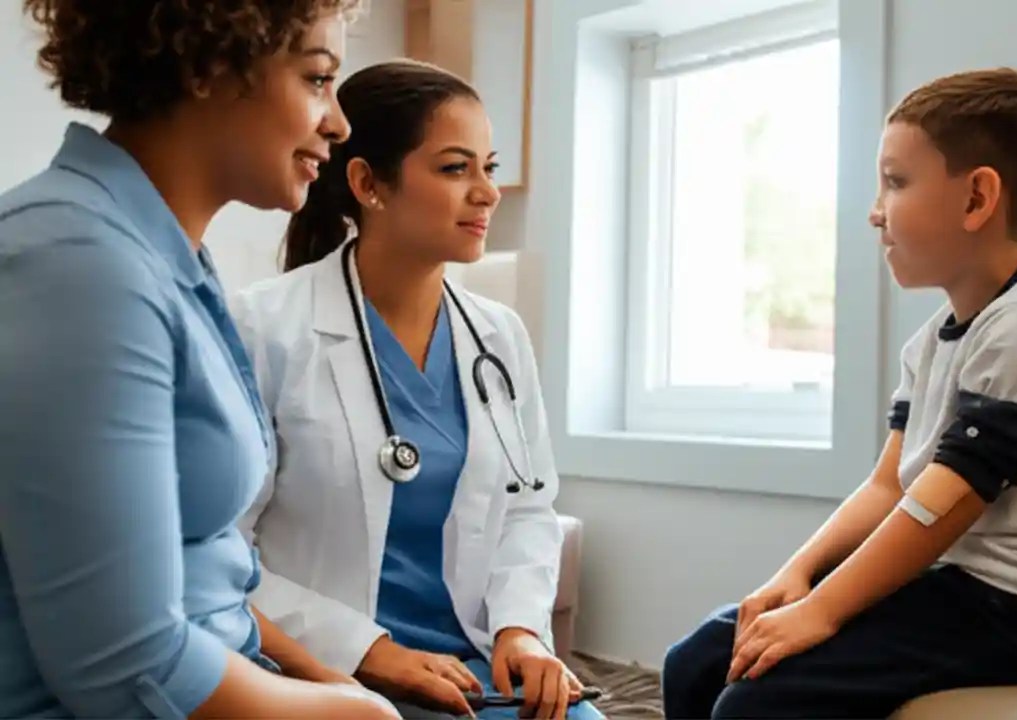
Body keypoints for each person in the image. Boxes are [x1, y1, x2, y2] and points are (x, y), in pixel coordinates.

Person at [661, 67, 1017, 719]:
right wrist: (796, 576)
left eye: (895, 182)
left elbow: (941, 508)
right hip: (951, 583)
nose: (875, 211)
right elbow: (890, 487)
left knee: (758, 705)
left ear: (976, 200)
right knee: (697, 664)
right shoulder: (935, 341)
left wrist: (822, 611)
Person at [0, 2, 403, 718]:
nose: (338, 122)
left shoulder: (167, 261)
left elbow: (213, 579)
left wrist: (324, 679)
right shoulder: (79, 266)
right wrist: (357, 714)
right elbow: (125, 670)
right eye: (317, 79)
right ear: (211, 64)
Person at [228, 60, 604, 720]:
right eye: (456, 168)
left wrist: (521, 629)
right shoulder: (264, 328)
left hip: (474, 668)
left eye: (487, 167)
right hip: (322, 670)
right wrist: (368, 652)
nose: (487, 192)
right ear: (368, 182)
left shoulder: (499, 335)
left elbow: (528, 509)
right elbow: (223, 548)